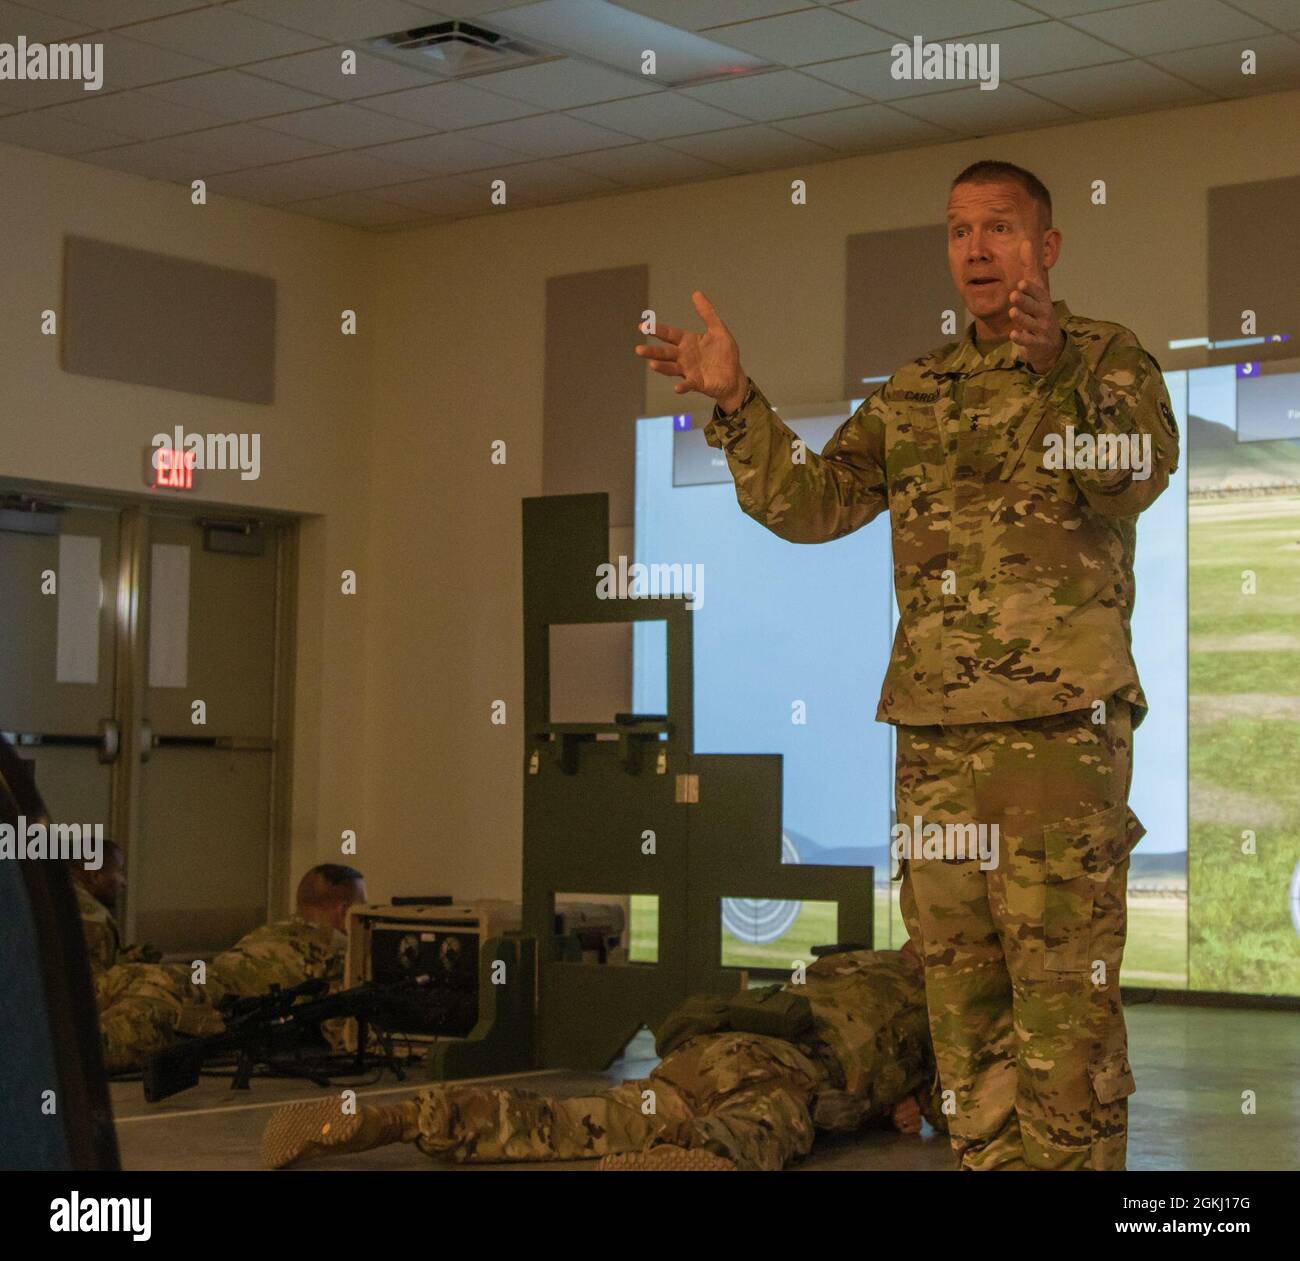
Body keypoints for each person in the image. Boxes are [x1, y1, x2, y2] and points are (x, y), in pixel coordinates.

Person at [632, 160, 1178, 1171]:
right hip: (934, 742)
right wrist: (737, 401)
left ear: (1046, 248)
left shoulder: (1108, 361)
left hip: (1056, 738)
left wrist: (1056, 367)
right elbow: (813, 504)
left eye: (1000, 228)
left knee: (1060, 1001)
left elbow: (1127, 480)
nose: (976, 248)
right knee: (959, 1000)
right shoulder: (917, 390)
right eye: (960, 229)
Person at [261, 942, 943, 1171]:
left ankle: (405, 1117)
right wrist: (903, 1108)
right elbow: (957, 1106)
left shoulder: (849, 963)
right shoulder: (938, 1011)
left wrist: (890, 1106)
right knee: (764, 1131)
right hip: (782, 1067)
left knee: (572, 1116)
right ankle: (696, 1150)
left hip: (698, 1053)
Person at [96, 863, 367, 1074]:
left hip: (147, 975)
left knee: (61, 1032)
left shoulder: (271, 930)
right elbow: (346, 1040)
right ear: (344, 910)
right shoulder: (338, 950)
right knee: (83, 1057)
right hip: (180, 1002)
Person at [68, 838, 160, 976]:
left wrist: (131, 957)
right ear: (95, 876)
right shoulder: (95, 918)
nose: (124, 883)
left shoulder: (53, 896)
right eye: (119, 871)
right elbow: (98, 987)